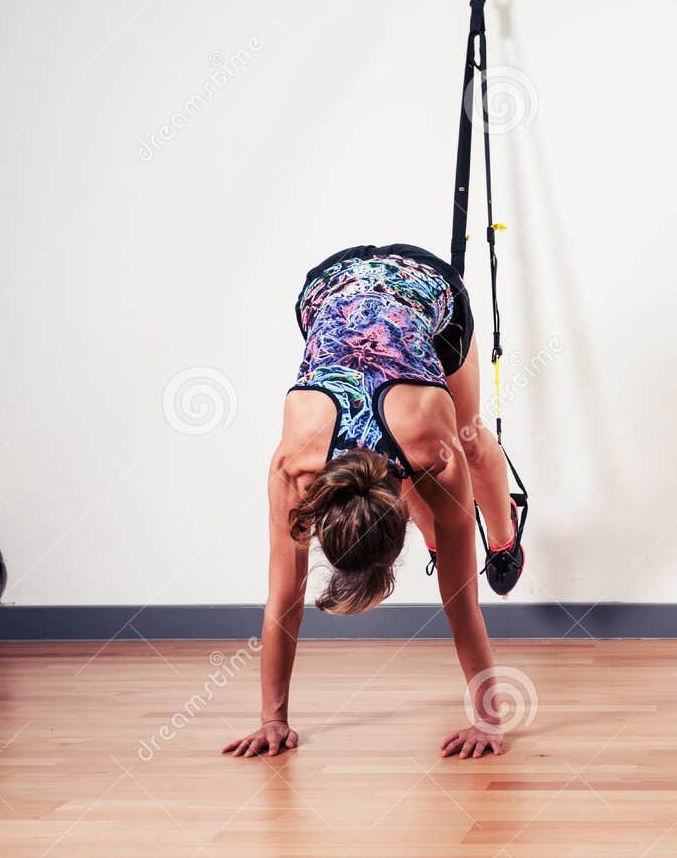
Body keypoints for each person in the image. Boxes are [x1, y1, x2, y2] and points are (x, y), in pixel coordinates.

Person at [223, 243, 524, 761]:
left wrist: (487, 722)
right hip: (328, 287)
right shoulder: (292, 471)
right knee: (440, 507)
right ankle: (446, 536)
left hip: (427, 288)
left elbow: (461, 602)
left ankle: (503, 533)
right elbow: (284, 602)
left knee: (470, 439)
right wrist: (273, 720)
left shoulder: (434, 446)